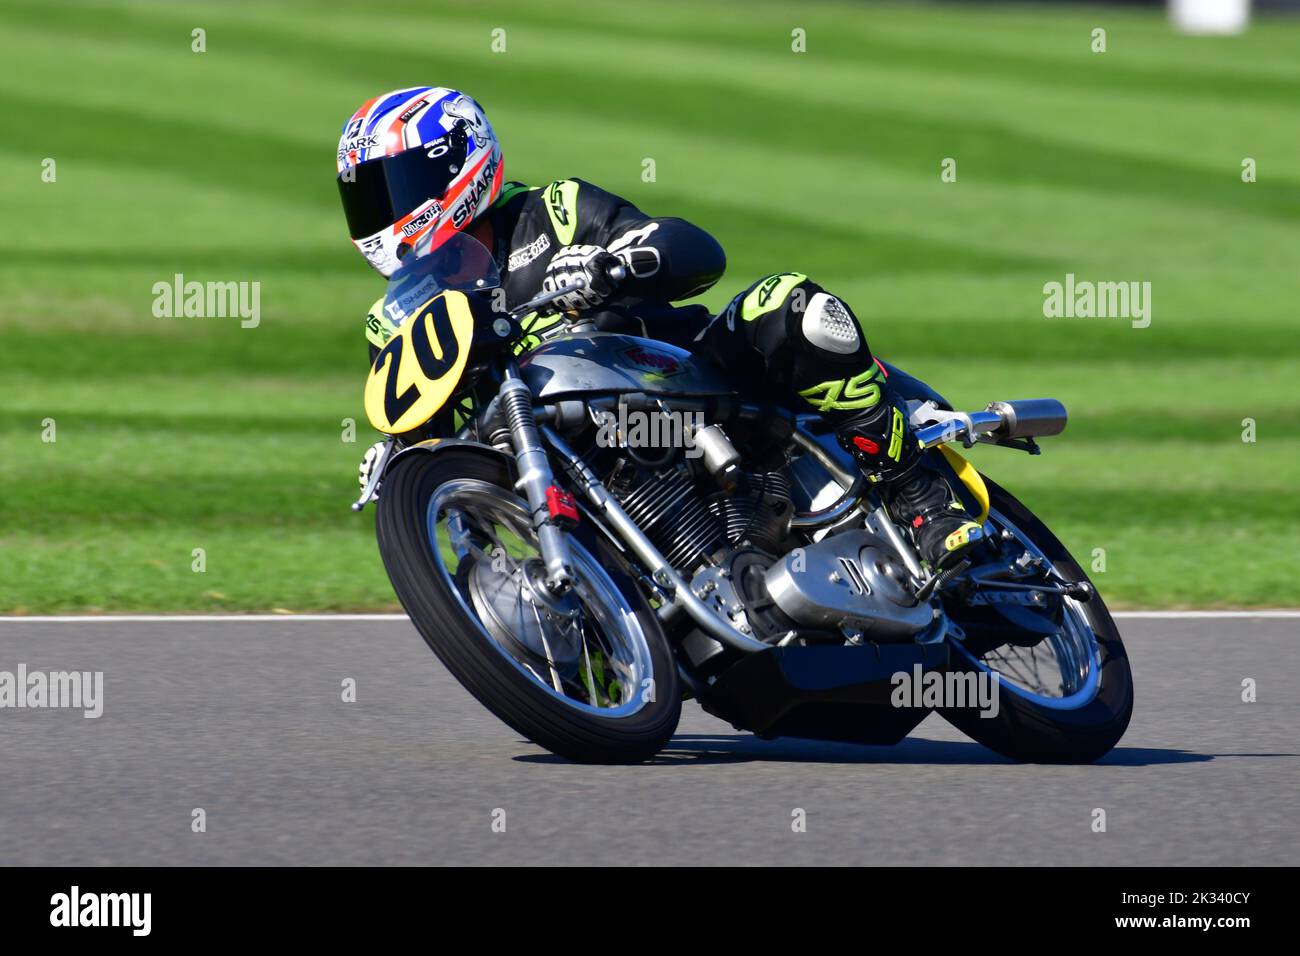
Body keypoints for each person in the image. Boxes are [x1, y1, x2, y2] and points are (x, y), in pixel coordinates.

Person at [337, 86, 982, 570]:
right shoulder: (396, 318)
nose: (383, 212)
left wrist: (616, 263)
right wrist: (401, 458)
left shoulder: (551, 212)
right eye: (367, 198)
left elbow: (691, 248)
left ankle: (920, 498)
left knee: (793, 307)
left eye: (395, 187)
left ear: (458, 165)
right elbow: (438, 451)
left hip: (688, 379)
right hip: (586, 481)